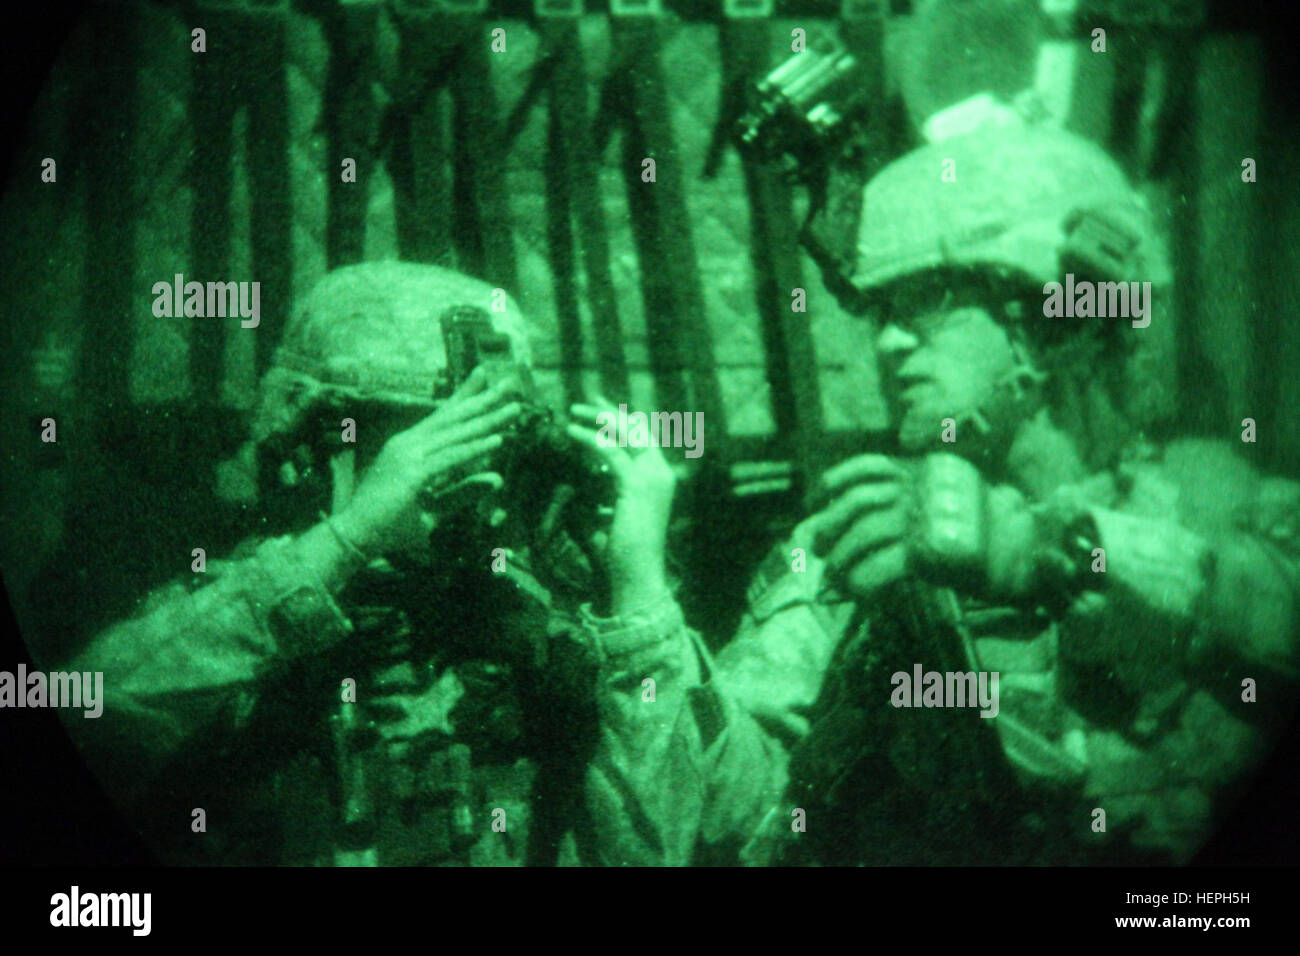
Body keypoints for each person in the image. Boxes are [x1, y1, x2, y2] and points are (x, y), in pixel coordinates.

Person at [576, 119, 1300, 865]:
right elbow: (706, 831)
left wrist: (1031, 549)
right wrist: (640, 599)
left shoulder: (1233, 514)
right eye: (883, 313)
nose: (888, 343)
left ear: (1059, 326)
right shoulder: (861, 541)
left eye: (931, 301)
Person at [58, 260, 606, 866]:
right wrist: (349, 538)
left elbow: (684, 831)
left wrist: (639, 598)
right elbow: (89, 717)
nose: (474, 479)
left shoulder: (536, 625)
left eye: (489, 439)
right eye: (434, 445)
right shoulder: (235, 610)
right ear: (319, 444)